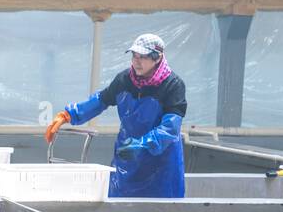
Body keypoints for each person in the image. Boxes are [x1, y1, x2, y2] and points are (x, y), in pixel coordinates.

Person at [43, 32, 187, 198]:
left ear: (157, 58)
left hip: (161, 164)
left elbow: (170, 128)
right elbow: (101, 100)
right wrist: (68, 115)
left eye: (143, 57)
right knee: (120, 211)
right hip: (127, 156)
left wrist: (142, 145)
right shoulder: (124, 79)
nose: (136, 61)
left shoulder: (173, 85)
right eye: (134, 55)